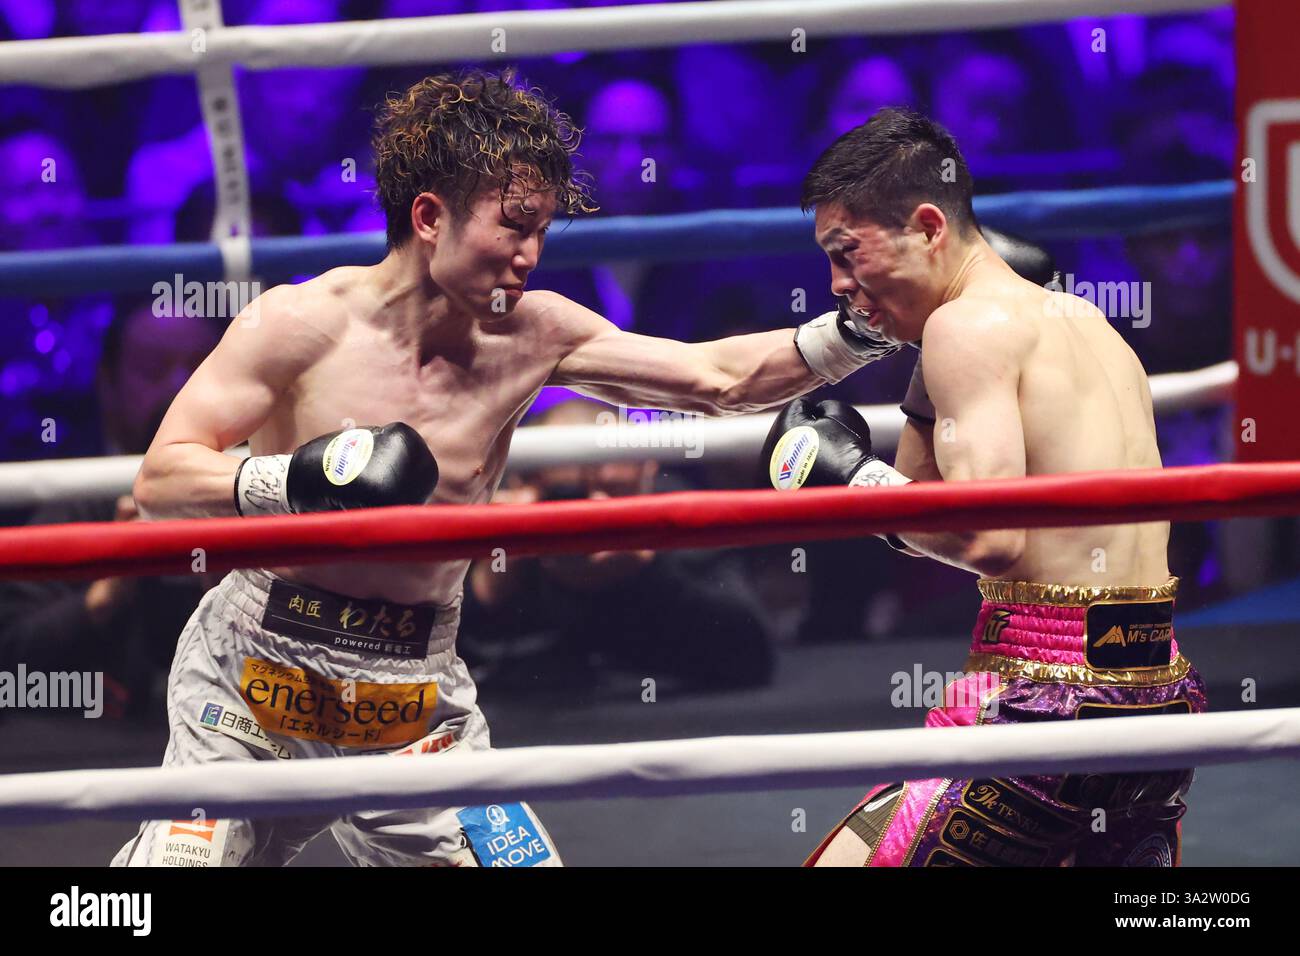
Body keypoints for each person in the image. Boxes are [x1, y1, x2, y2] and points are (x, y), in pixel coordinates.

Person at [113, 68, 883, 868]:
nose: (530, 256)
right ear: (427, 216)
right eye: (514, 226)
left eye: (543, 231)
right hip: (250, 680)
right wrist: (296, 482)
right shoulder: (296, 323)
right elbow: (161, 481)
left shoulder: (533, 333)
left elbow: (716, 379)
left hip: (411, 695)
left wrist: (857, 332)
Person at [762, 109, 1206, 867]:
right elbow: (929, 493)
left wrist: (850, 480)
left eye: (848, 253)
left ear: (929, 227)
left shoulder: (966, 330)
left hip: (1043, 700)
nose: (837, 287)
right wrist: (918, 378)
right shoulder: (1086, 321)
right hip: (1160, 696)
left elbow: (987, 540)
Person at [0, 302, 222, 717]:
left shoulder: (261, 491)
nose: (178, 386)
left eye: (199, 368)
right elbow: (10, 660)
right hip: (96, 749)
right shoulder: (74, 492)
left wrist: (233, 582)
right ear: (109, 385)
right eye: (154, 370)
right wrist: (106, 593)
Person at [463, 398, 774, 693]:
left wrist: (647, 572)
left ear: (647, 470)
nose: (598, 505)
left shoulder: (677, 513)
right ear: (525, 483)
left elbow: (752, 655)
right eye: (574, 492)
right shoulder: (492, 515)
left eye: (617, 490)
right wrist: (498, 569)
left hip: (658, 729)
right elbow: (434, 658)